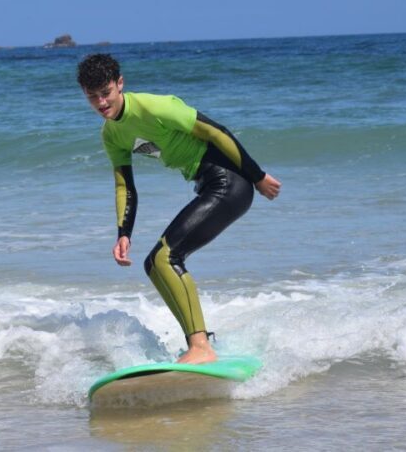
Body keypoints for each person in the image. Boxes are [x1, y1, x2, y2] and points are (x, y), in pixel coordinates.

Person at [77, 53, 281, 364]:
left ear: (120, 84)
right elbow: (124, 186)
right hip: (208, 184)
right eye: (92, 97)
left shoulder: (155, 107)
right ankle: (200, 342)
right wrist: (123, 233)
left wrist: (258, 176)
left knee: (165, 257)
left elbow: (217, 132)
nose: (101, 103)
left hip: (229, 181)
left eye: (105, 93)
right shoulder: (111, 134)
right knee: (153, 264)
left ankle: (200, 347)